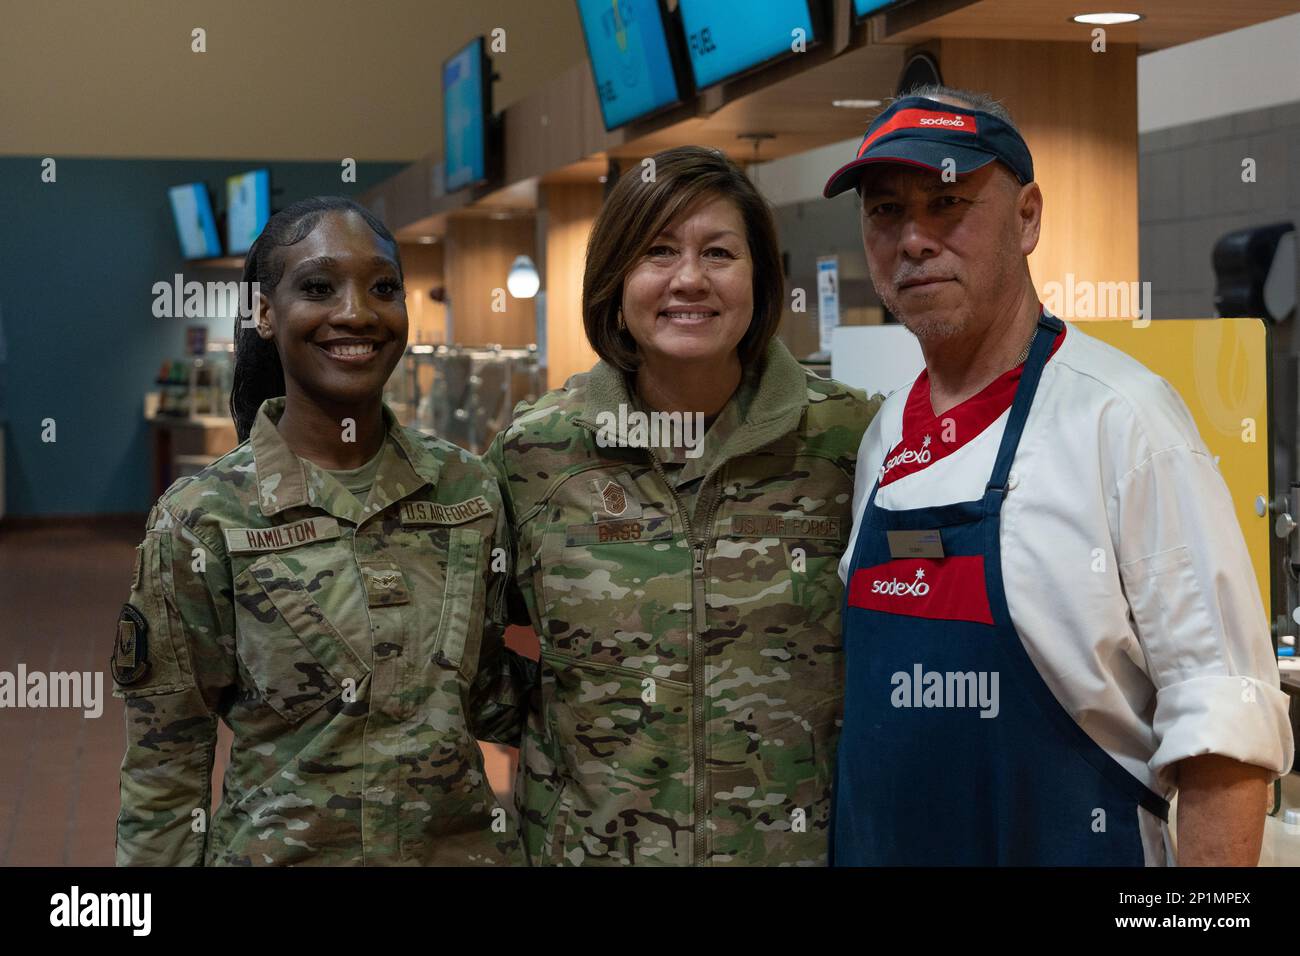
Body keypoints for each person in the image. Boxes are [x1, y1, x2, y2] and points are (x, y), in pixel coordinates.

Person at [824, 87, 1294, 865]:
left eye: (948, 202)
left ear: (1028, 216)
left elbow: (1224, 732)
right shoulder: (881, 441)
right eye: (884, 212)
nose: (913, 239)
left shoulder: (1124, 420)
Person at [486, 146, 881, 865]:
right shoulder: (537, 452)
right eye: (658, 251)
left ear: (760, 277)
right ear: (616, 278)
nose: (690, 279)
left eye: (720, 253)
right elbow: (473, 655)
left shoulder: (849, 440)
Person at [112, 196, 533, 865]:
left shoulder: (469, 491)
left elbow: (493, 697)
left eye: (383, 288)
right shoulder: (203, 517)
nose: (356, 312)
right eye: (317, 287)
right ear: (264, 312)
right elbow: (165, 771)